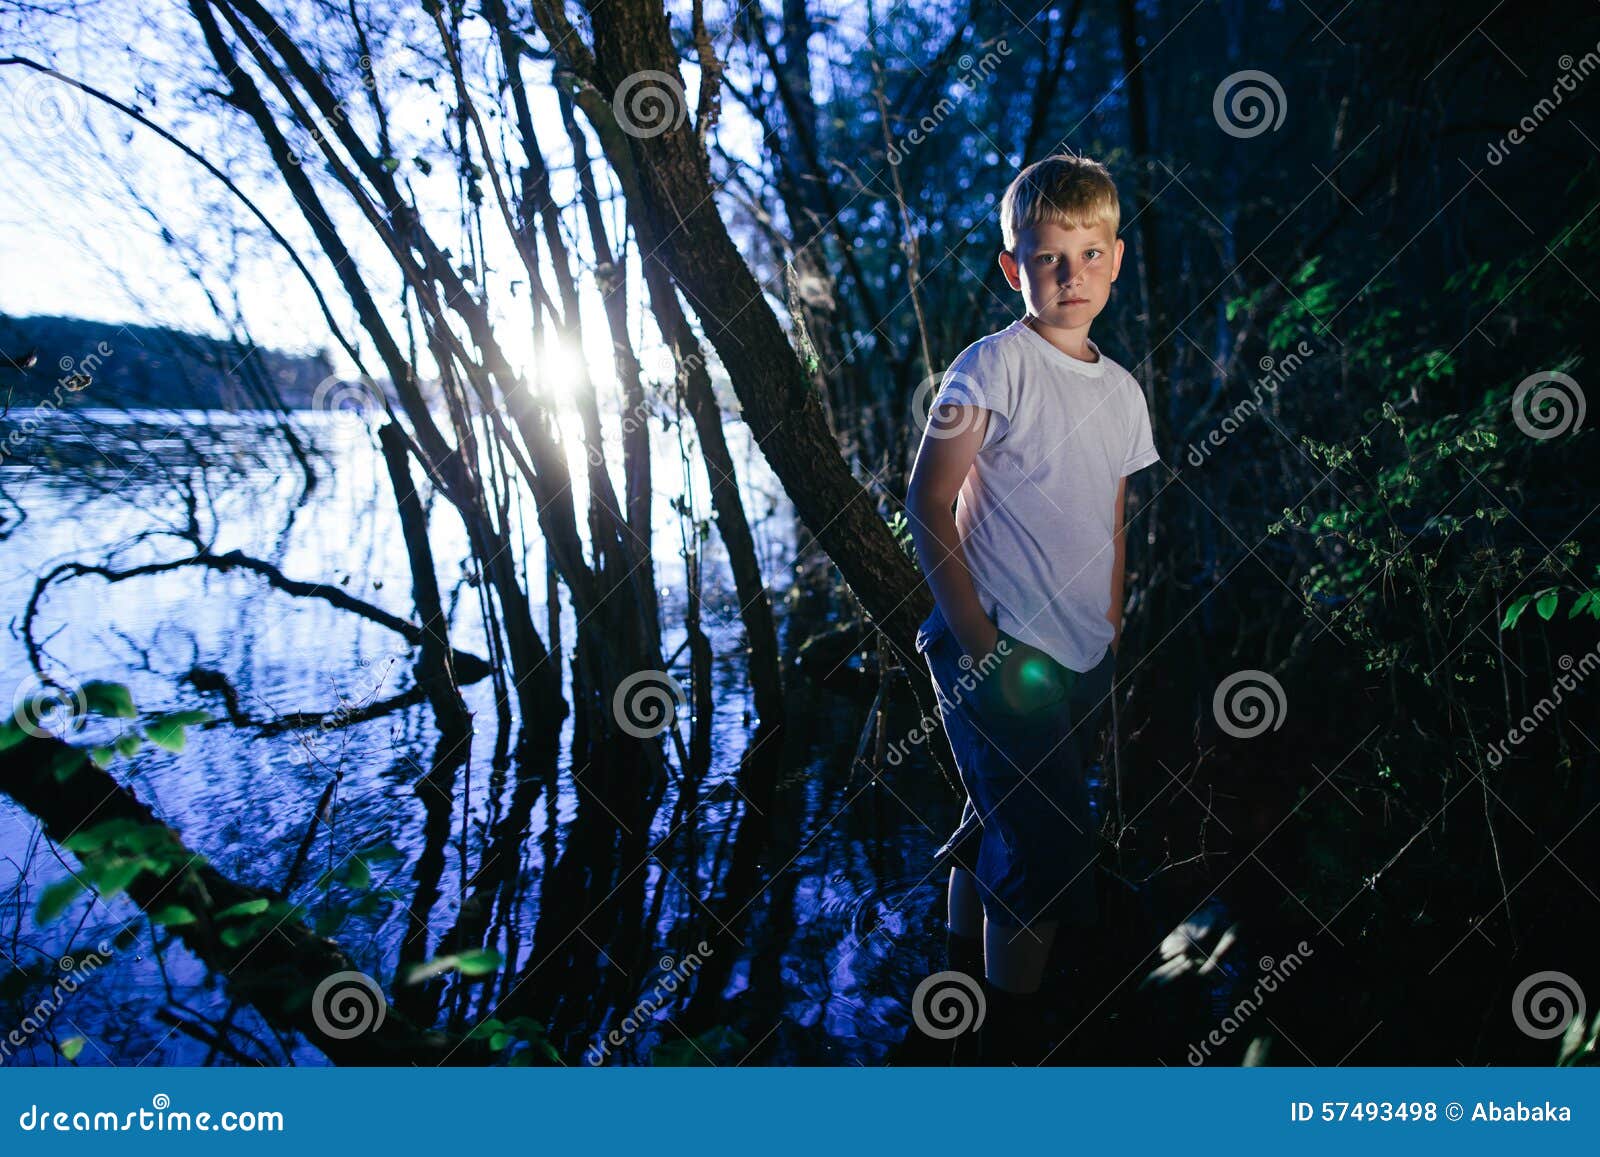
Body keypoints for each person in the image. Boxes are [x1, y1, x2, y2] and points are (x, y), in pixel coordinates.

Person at [903, 153, 1162, 1063]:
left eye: (1090, 254)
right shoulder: (992, 366)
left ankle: (956, 980)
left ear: (1117, 258)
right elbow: (927, 501)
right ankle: (1010, 1049)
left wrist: (1113, 619)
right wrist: (977, 639)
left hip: (1079, 649)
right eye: (1050, 257)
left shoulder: (1123, 391)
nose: (1072, 275)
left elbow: (1112, 514)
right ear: (1014, 267)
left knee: (1004, 821)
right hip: (997, 643)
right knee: (1049, 861)